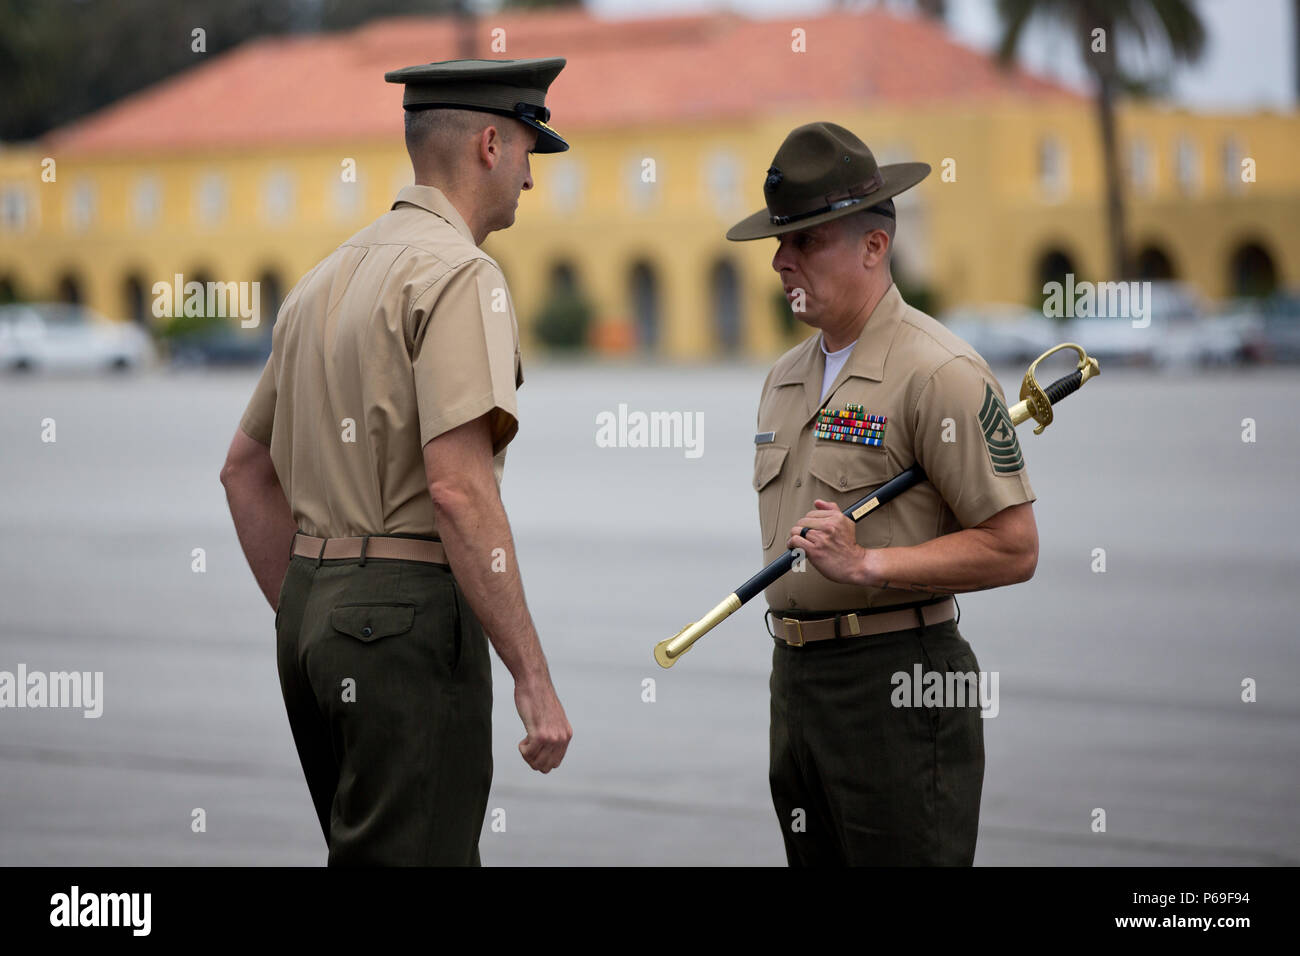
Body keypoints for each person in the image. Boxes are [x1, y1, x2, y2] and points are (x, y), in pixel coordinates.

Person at [219, 57, 573, 866]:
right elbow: (457, 490)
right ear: (489, 144)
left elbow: (244, 470)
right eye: (527, 151)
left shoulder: (323, 279)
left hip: (313, 614)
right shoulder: (460, 275)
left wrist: (319, 607)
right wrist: (532, 675)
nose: (529, 178)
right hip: (407, 620)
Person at [725, 121, 1039, 866]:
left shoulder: (939, 372)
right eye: (780, 242)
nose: (781, 260)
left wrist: (870, 566)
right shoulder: (786, 378)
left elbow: (1014, 546)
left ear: (874, 246)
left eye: (806, 241)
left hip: (901, 681)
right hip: (797, 682)